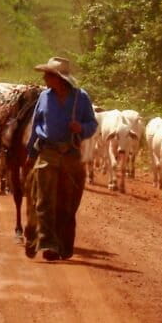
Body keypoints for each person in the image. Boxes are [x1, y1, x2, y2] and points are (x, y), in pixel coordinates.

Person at [22, 56, 97, 262]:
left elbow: (92, 124)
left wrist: (81, 128)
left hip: (71, 155)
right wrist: (31, 153)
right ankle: (47, 243)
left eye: (48, 75)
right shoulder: (45, 97)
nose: (45, 78)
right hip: (48, 152)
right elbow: (36, 126)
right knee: (44, 200)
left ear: (59, 78)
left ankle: (64, 245)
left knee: (68, 203)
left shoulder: (81, 98)